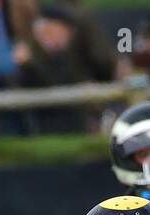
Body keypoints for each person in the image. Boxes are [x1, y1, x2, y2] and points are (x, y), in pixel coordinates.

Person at [17, 5, 117, 133]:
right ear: (48, 29)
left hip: (71, 126)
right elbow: (48, 87)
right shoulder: (28, 58)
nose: (68, 37)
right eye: (64, 31)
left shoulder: (64, 56)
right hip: (42, 129)